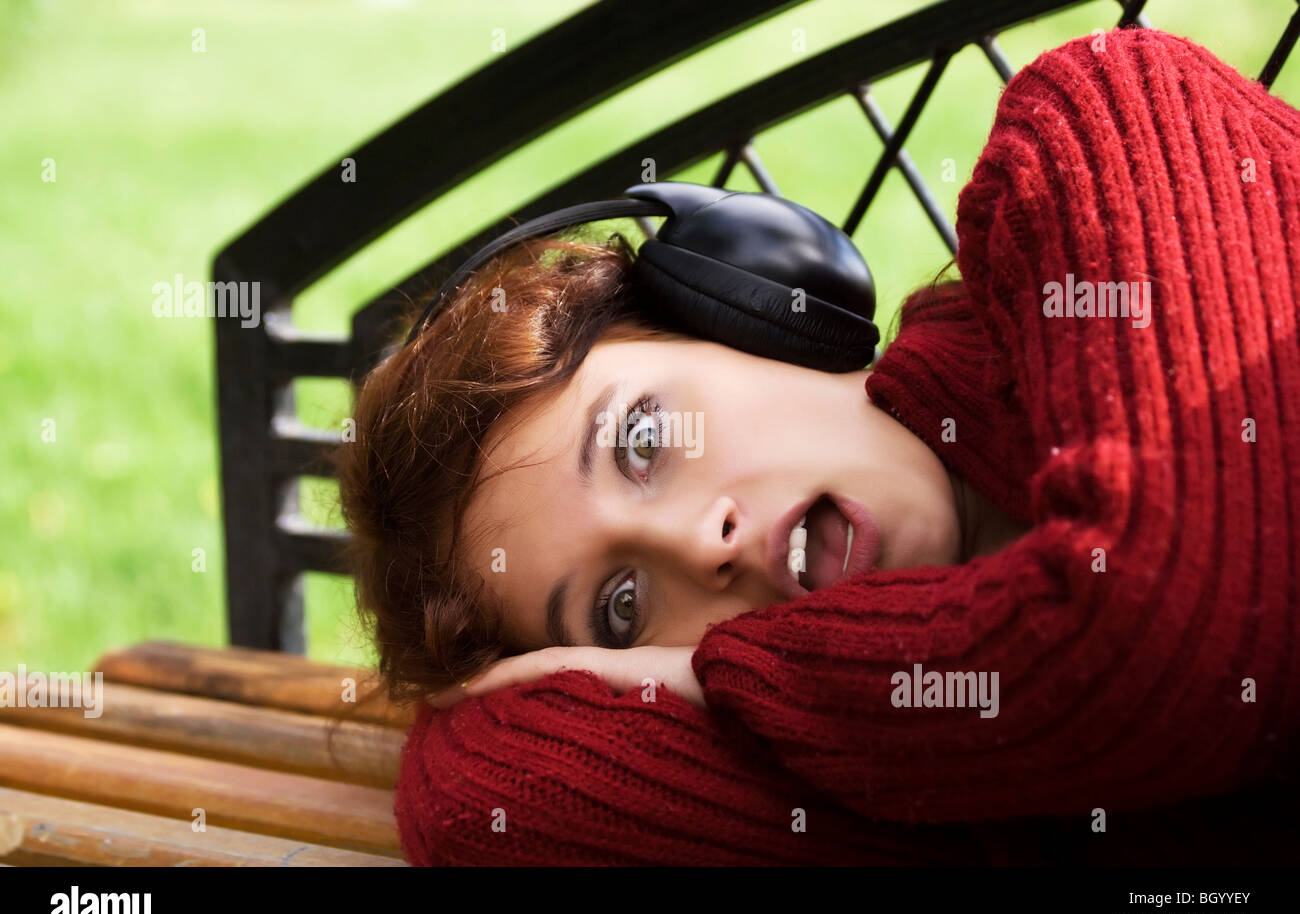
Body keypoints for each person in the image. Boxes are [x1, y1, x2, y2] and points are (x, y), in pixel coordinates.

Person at [334, 26, 1300, 865]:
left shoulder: (1112, 126)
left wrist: (712, 671)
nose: (696, 544)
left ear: (745, 312)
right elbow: (478, 803)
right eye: (621, 608)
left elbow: (1168, 651)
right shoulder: (934, 744)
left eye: (642, 439)